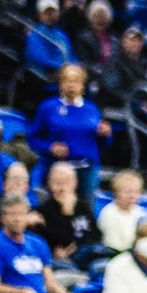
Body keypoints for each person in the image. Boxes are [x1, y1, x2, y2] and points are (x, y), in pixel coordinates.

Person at [0, 194, 89, 293]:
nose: (17, 219)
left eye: (21, 213)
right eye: (12, 214)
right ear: (2, 218)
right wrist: (24, 292)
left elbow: (50, 285)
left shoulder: (38, 243)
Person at [32, 63, 110, 200]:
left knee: (85, 210)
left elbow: (103, 144)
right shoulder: (48, 107)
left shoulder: (91, 109)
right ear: (60, 83)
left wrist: (105, 134)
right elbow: (33, 137)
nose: (71, 84)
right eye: (67, 80)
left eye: (76, 80)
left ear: (82, 85)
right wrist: (49, 147)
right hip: (57, 168)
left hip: (86, 169)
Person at [37, 160, 103, 268]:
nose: (62, 188)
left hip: (86, 255)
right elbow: (59, 241)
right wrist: (67, 213)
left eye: (66, 182)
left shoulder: (82, 206)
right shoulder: (45, 210)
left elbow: (96, 235)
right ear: (49, 184)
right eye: (57, 183)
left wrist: (77, 245)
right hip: (61, 261)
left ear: (75, 183)